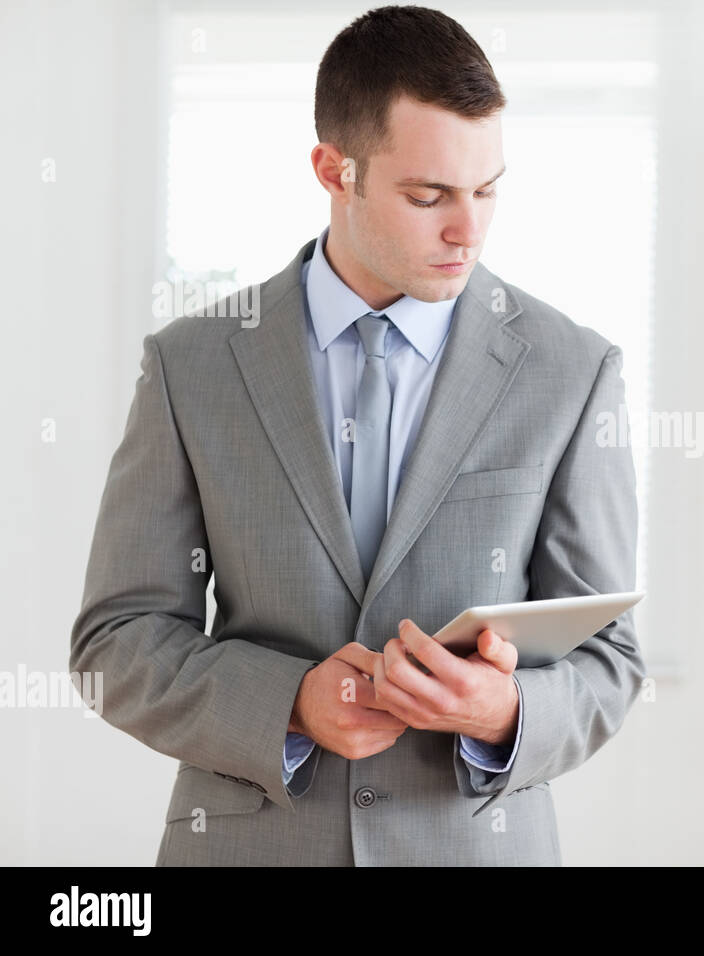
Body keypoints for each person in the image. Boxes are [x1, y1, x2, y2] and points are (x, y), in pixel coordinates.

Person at [69, 4, 643, 866]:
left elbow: (610, 659)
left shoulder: (573, 370)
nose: (469, 230)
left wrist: (502, 712)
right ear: (334, 170)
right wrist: (289, 702)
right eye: (428, 195)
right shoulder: (190, 365)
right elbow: (115, 643)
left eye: (487, 190)